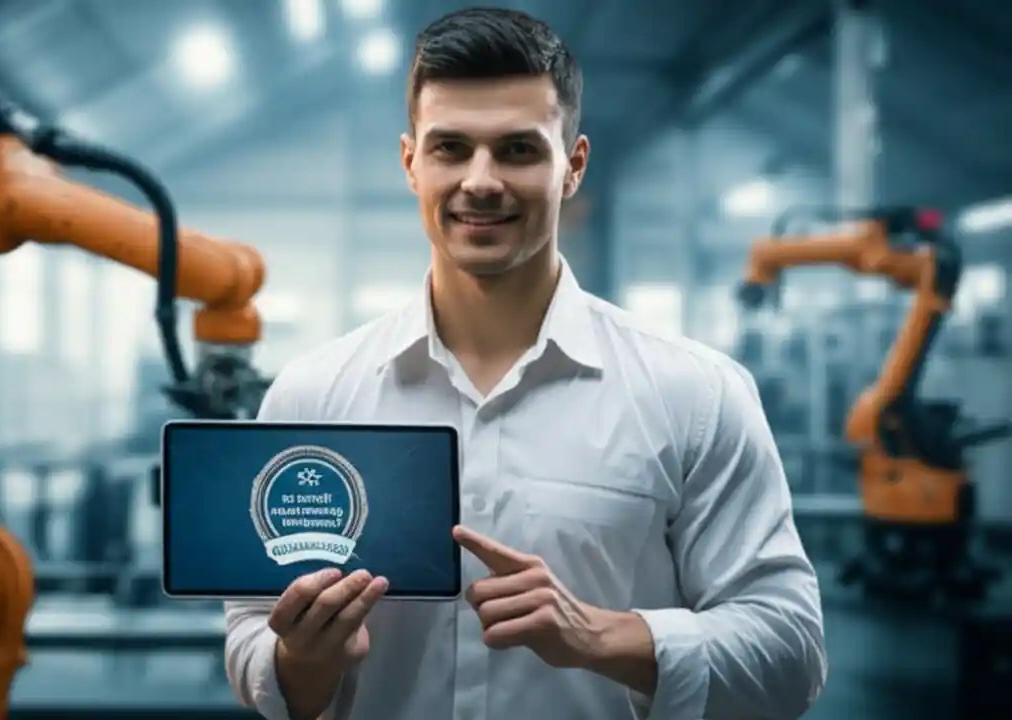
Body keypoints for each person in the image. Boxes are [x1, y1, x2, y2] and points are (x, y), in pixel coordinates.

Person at [224, 7, 827, 719]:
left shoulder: (695, 393)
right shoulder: (313, 394)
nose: (481, 181)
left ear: (572, 167)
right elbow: (248, 635)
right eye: (451, 148)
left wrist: (609, 635)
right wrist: (301, 661)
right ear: (411, 162)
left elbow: (792, 651)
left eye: (517, 150)